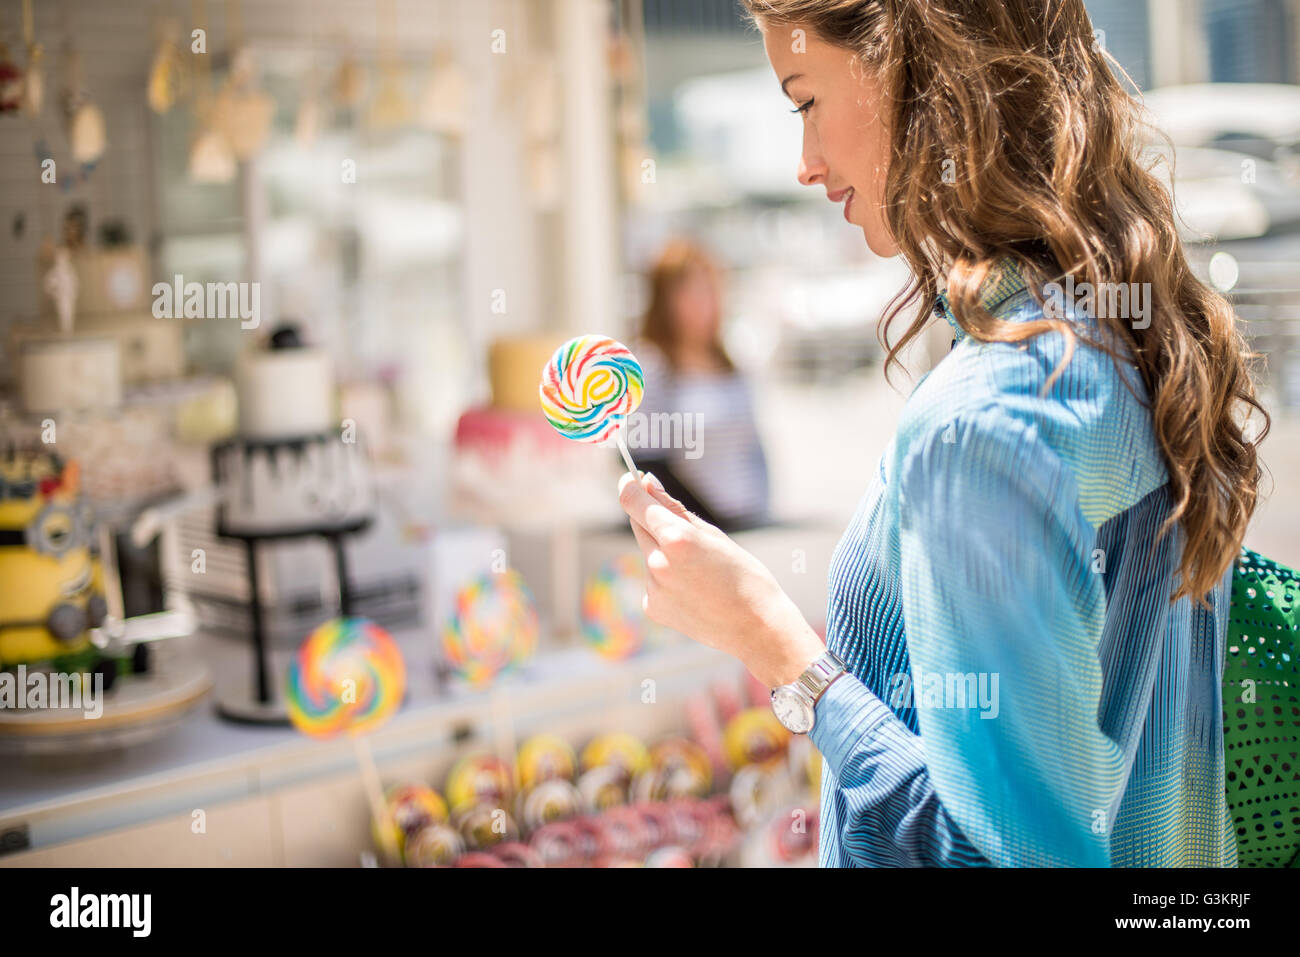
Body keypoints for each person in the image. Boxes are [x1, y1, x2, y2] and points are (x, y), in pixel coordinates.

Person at [617, 0, 1269, 867]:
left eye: (805, 100)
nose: (805, 163)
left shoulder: (980, 420)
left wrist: (778, 646)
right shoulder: (1119, 341)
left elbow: (996, 855)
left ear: (913, 72)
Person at [631, 238, 771, 532]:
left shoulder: (732, 362)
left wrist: (762, 508)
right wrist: (703, 525)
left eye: (709, 289)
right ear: (663, 300)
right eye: (689, 292)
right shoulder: (651, 368)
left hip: (748, 523)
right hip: (694, 532)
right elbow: (648, 463)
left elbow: (754, 447)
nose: (702, 302)